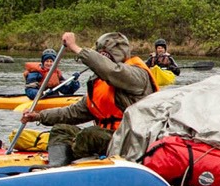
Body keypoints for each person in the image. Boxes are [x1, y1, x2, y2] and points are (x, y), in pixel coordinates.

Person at [21, 31, 161, 165]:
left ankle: (75, 158)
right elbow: (72, 113)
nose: (102, 60)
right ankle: (56, 167)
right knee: (61, 130)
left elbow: (111, 70)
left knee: (90, 134)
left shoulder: (137, 76)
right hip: (105, 139)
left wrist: (75, 47)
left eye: (105, 56)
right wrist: (39, 116)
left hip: (131, 142)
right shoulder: (98, 84)